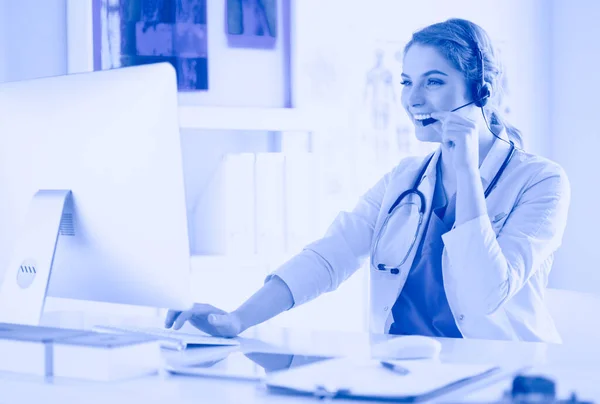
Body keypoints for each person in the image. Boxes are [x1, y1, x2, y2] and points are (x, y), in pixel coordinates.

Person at [165, 18, 570, 343]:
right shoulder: (405, 179)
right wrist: (237, 319)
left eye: (433, 81)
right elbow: (330, 255)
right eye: (407, 83)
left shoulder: (540, 182)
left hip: (499, 378)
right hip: (404, 376)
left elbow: (485, 298)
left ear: (481, 91)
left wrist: (465, 171)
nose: (413, 100)